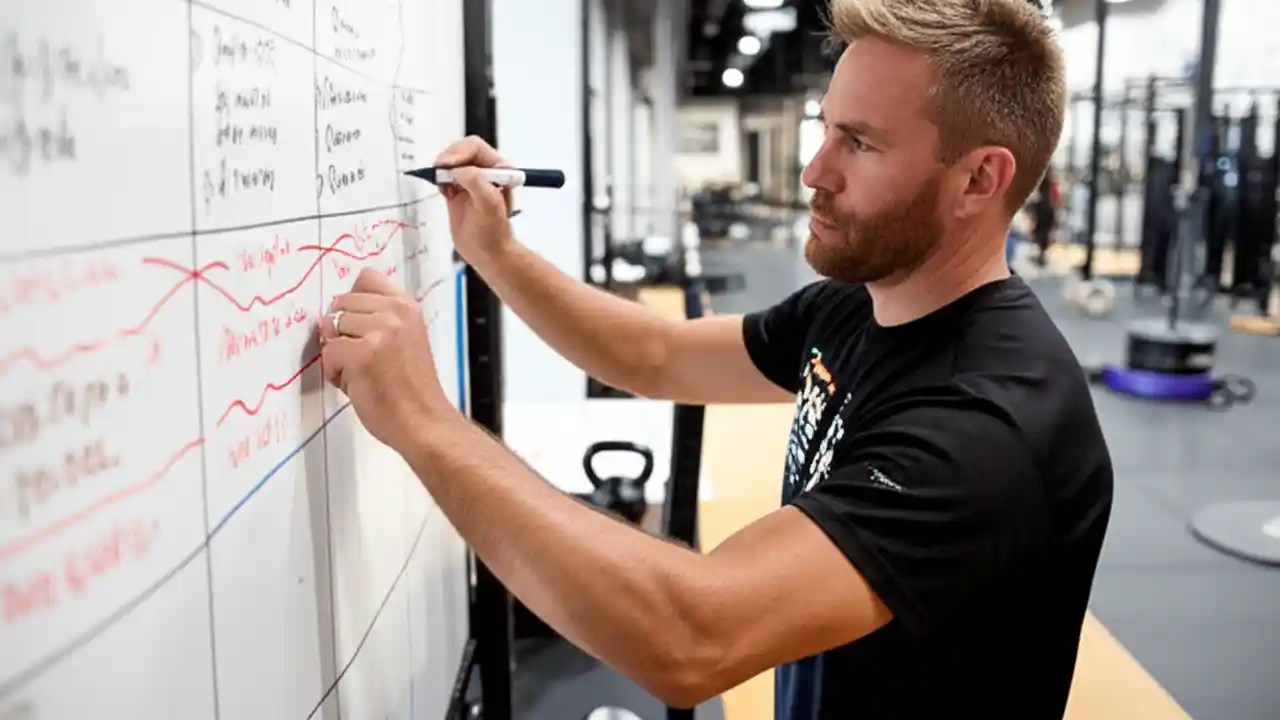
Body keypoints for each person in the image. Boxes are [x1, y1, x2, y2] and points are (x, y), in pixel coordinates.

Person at [316, 0, 1114, 716]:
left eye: (860, 144)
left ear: (979, 179)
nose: (813, 173)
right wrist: (495, 251)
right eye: (826, 129)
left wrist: (422, 418)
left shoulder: (989, 424)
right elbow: (655, 355)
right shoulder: (858, 303)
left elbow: (691, 637)